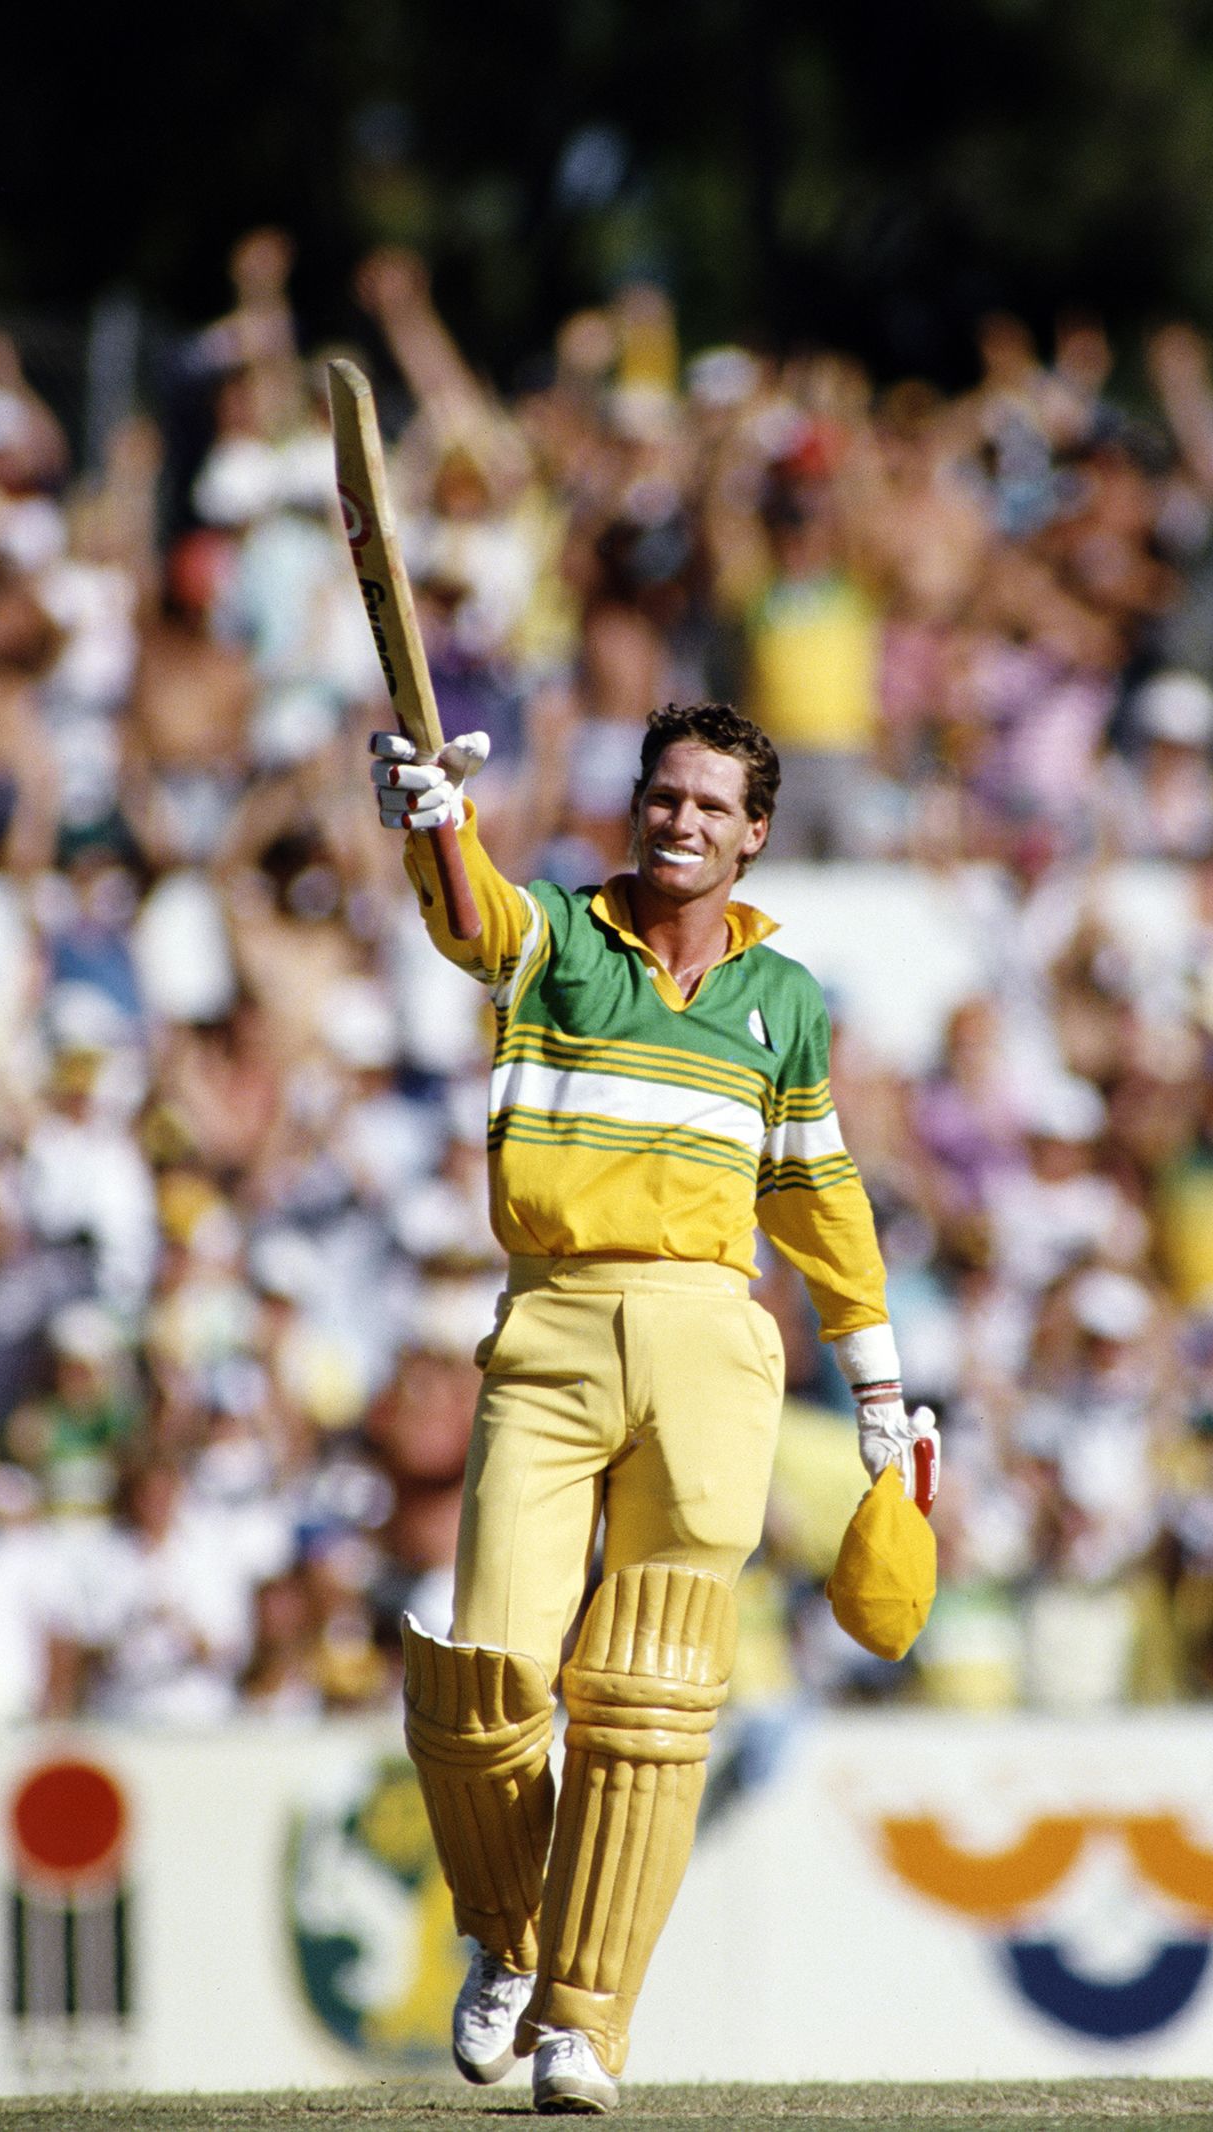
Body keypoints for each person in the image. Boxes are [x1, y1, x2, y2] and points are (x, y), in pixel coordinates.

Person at [368, 700, 937, 2112]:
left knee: (654, 1694)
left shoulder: (785, 1000)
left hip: (709, 1338)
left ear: (756, 834)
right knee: (487, 1676)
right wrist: (437, 822)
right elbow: (472, 921)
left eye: (708, 805)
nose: (678, 820)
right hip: (554, 1321)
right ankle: (509, 1935)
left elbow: (815, 1193)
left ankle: (587, 2020)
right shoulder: (560, 933)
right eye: (661, 795)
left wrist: (875, 1381)